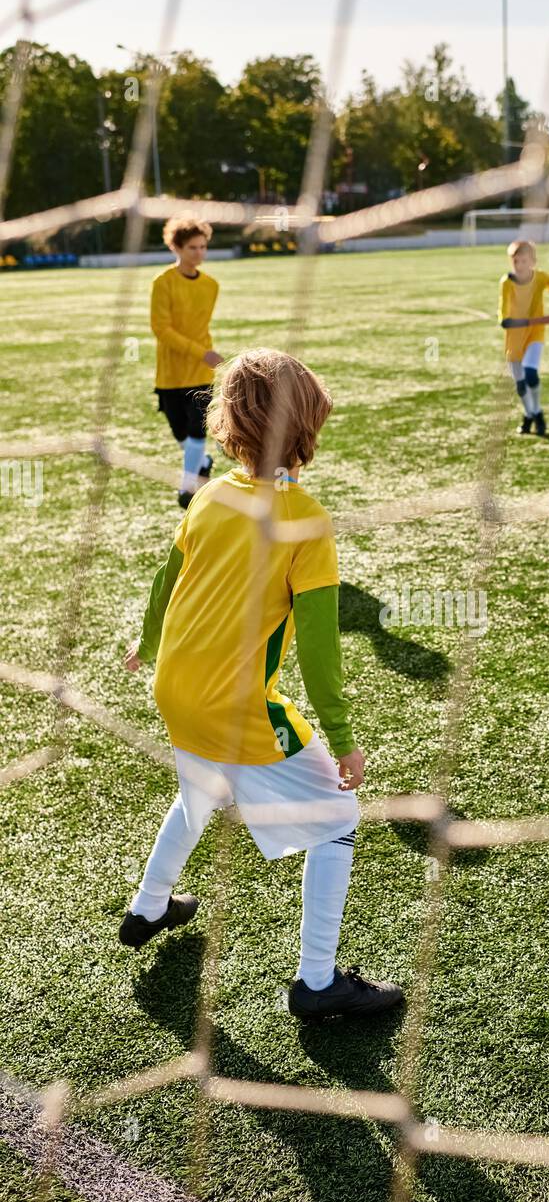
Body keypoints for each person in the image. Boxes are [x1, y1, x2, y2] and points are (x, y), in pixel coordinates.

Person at [121, 348, 403, 1022]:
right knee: (338, 817)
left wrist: (149, 643)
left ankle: (149, 907)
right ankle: (316, 981)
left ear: (230, 424)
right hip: (235, 702)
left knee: (200, 787)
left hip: (174, 687)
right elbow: (319, 648)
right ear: (307, 425)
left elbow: (166, 578)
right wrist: (342, 740)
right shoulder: (305, 518)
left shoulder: (211, 493)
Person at [150, 217, 223, 509]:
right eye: (192, 247)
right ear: (176, 247)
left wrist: (204, 356)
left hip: (201, 371)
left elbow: (198, 327)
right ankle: (203, 462)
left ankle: (187, 488)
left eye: (203, 247)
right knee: (180, 432)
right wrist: (199, 351)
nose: (199, 253)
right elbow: (161, 328)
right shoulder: (162, 283)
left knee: (196, 429)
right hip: (170, 373)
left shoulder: (211, 285)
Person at [498, 239, 549, 436]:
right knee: (520, 386)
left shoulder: (540, 278)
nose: (519, 265)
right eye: (515, 261)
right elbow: (505, 322)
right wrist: (539, 319)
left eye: (523, 261)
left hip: (535, 335)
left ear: (533, 261)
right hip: (514, 339)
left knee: (531, 374)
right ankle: (531, 414)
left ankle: (536, 415)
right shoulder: (506, 283)